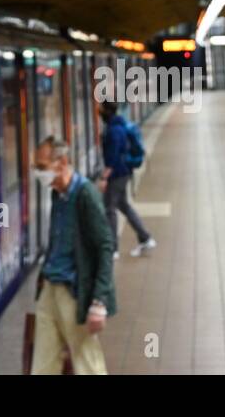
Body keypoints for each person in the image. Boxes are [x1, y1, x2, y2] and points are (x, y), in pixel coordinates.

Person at [30, 136, 116, 374]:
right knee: (43, 365)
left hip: (74, 291)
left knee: (87, 364)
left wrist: (99, 301)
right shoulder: (56, 194)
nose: (38, 173)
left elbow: (105, 245)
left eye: (41, 167)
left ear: (62, 162)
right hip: (49, 289)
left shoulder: (85, 194)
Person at [99, 102, 157, 258]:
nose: (100, 112)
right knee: (123, 206)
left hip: (117, 174)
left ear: (107, 111)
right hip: (123, 172)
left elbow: (113, 156)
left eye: (101, 109)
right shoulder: (118, 125)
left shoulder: (114, 130)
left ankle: (113, 248)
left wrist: (105, 177)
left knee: (110, 209)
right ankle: (145, 237)